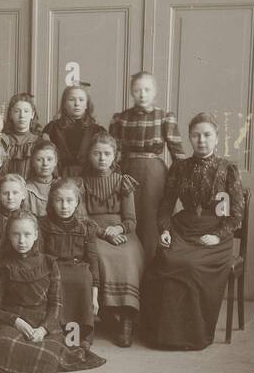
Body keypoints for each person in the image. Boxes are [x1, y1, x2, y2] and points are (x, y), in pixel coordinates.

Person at [0, 213, 106, 373]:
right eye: (16, 234)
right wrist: (17, 322)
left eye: (27, 234)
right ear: (9, 236)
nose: (21, 241)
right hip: (12, 323)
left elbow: (56, 304)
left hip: (43, 323)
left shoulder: (49, 263)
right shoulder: (1, 265)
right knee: (2, 342)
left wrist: (43, 329)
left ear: (35, 235)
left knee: (48, 357)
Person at [142, 113, 245, 350]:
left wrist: (217, 235)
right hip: (183, 228)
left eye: (207, 135)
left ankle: (192, 335)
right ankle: (163, 334)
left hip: (216, 233)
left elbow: (236, 214)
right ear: (189, 138)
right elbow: (166, 205)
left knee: (189, 265)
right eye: (196, 135)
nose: (202, 140)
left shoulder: (227, 169)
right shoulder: (180, 167)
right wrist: (165, 229)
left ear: (216, 138)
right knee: (166, 259)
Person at [109, 71, 186, 263]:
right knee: (130, 218)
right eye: (137, 90)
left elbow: (178, 153)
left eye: (147, 90)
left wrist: (184, 177)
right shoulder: (121, 118)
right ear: (131, 93)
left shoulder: (164, 118)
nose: (142, 94)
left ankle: (153, 274)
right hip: (126, 174)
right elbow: (112, 152)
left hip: (154, 178)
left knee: (152, 223)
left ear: (155, 92)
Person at [81, 132, 142, 346]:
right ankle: (106, 314)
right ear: (89, 155)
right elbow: (82, 218)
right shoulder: (82, 183)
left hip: (121, 232)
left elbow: (132, 220)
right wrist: (103, 233)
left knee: (128, 256)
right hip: (93, 231)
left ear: (115, 156)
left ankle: (126, 318)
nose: (102, 158)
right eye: (97, 153)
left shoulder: (123, 182)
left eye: (107, 153)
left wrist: (118, 229)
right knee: (98, 253)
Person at [39, 178, 101, 347]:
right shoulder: (43, 225)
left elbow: (93, 260)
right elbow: (39, 255)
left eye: (69, 201)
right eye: (59, 201)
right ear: (51, 202)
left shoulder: (86, 227)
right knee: (59, 281)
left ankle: (81, 335)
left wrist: (94, 297)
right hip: (52, 268)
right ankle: (58, 332)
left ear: (77, 202)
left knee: (83, 278)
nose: (64, 206)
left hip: (77, 268)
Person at [44, 83, 104, 179]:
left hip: (90, 179)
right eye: (72, 100)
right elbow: (44, 154)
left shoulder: (97, 130)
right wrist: (56, 175)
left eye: (81, 100)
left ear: (86, 105)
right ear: (64, 104)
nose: (77, 104)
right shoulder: (52, 128)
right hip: (58, 178)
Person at [0, 93, 43, 179]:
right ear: (11, 115)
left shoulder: (40, 140)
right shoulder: (3, 140)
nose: (22, 116)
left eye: (26, 111)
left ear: (32, 114)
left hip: (32, 187)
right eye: (17, 111)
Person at [23, 139, 59, 218]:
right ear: (32, 162)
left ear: (55, 162)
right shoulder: (26, 189)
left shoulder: (62, 186)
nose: (45, 164)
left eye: (49, 159)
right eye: (39, 160)